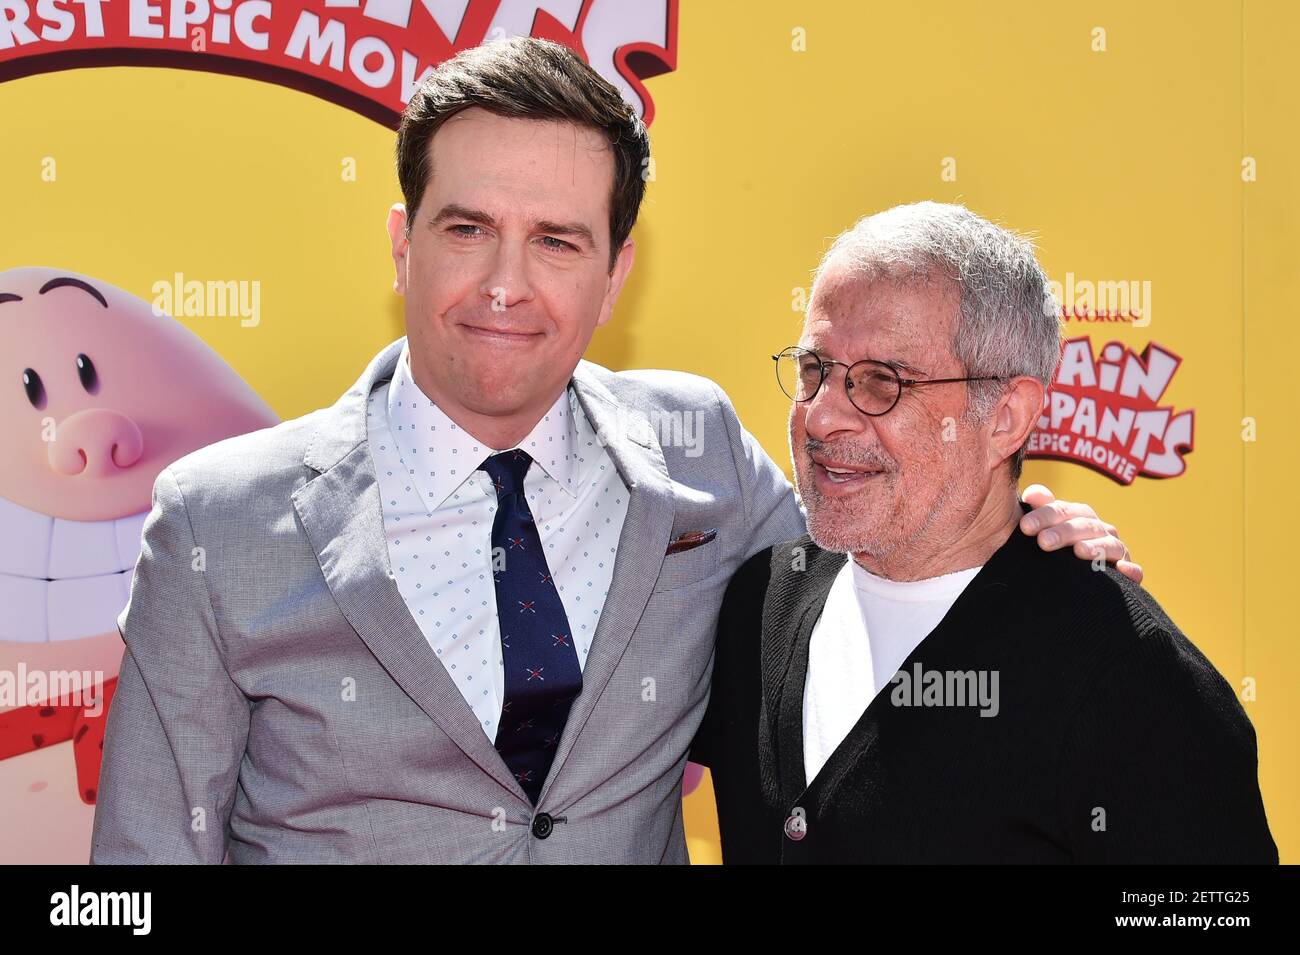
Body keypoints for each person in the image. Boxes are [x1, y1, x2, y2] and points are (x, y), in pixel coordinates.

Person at [91, 41, 1132, 864]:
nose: (506, 284)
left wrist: (1015, 541)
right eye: (466, 229)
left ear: (614, 273)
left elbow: (869, 580)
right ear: (402, 245)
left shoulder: (702, 453)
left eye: (556, 240)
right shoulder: (219, 521)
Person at [692, 201, 1277, 864]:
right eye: (813, 369)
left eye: (881, 382)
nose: (822, 416)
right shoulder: (758, 604)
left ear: (1006, 416)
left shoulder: (1128, 676)